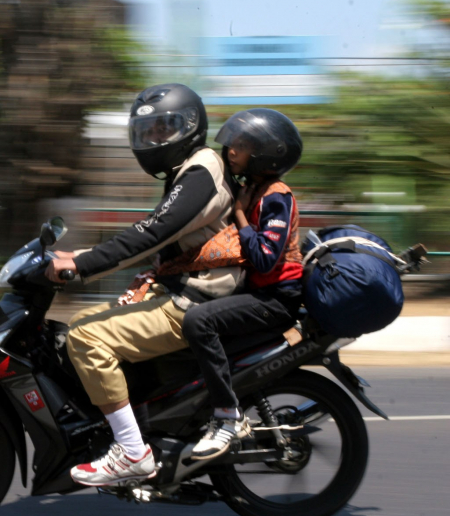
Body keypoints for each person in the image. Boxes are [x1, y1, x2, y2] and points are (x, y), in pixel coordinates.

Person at [44, 83, 242, 486]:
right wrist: (79, 255)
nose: (154, 138)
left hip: (197, 299)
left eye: (163, 127)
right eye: (147, 130)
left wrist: (81, 264)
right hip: (184, 289)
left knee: (85, 337)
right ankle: (138, 422)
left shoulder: (201, 171)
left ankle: (133, 452)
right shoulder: (190, 171)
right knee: (79, 324)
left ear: (189, 127)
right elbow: (157, 236)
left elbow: (152, 232)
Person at [181, 108, 304, 460]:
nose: (231, 150)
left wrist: (239, 214)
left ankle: (226, 416)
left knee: (198, 321)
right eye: (233, 143)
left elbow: (265, 257)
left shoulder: (275, 196)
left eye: (243, 145)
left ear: (266, 154)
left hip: (275, 299)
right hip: (257, 292)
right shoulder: (253, 188)